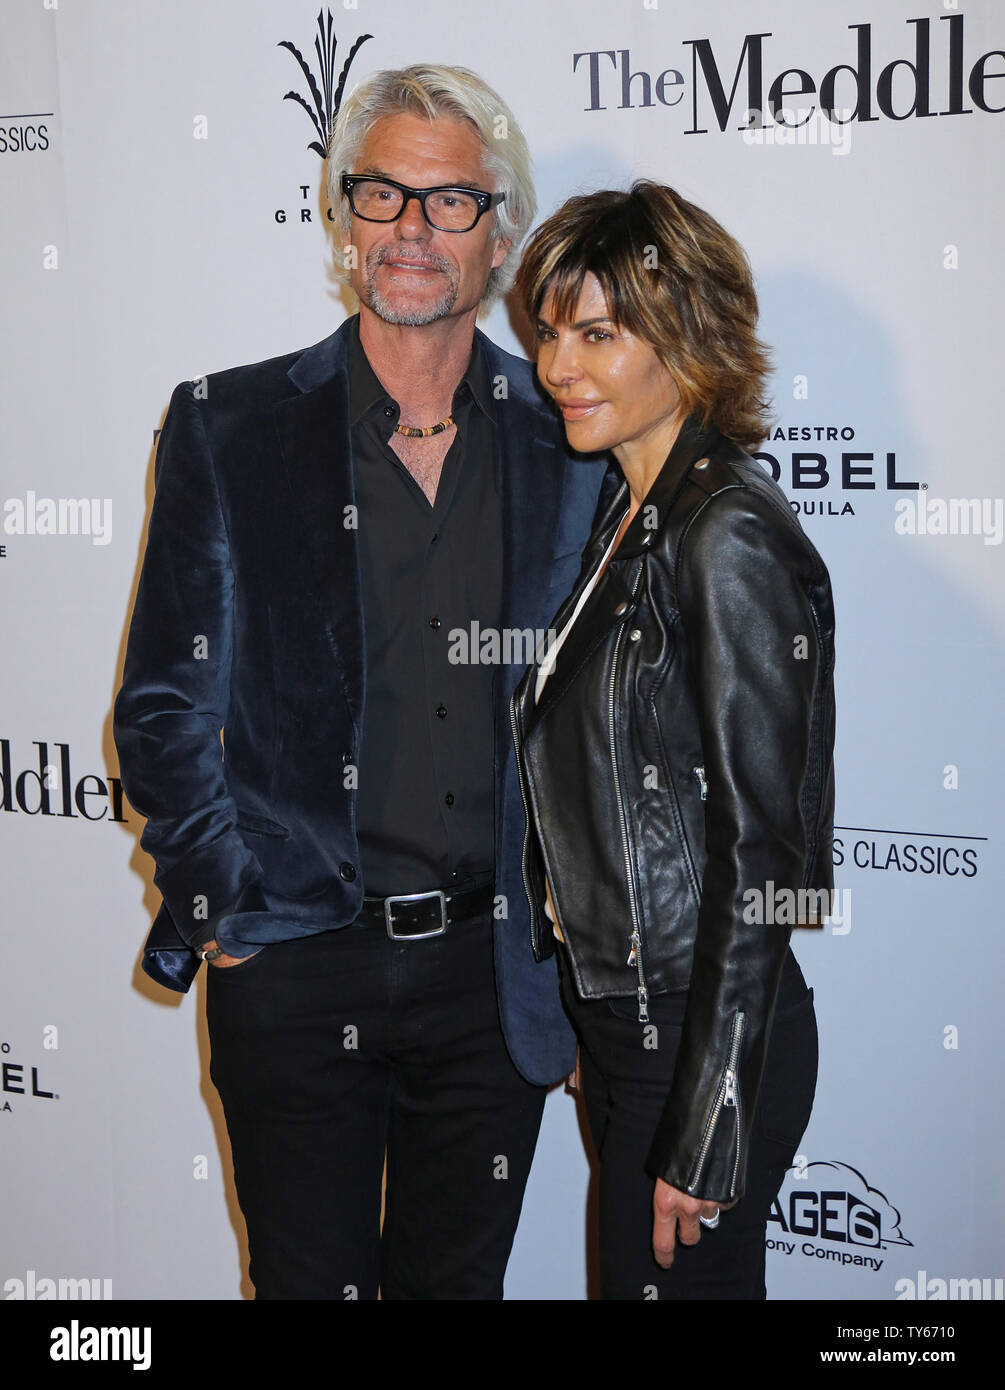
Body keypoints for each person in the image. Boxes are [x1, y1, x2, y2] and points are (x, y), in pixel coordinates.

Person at [112, 64, 607, 1300]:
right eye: (381, 193)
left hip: (491, 980)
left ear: (499, 236)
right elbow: (164, 707)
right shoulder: (230, 426)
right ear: (341, 217)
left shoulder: (568, 445)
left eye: (449, 203)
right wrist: (230, 908)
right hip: (295, 962)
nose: (410, 229)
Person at [511, 182, 836, 1300]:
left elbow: (767, 857)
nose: (560, 367)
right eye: (551, 333)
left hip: (701, 1042)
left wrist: (707, 1118)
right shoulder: (630, 511)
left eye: (598, 333)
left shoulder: (724, 530)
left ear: (688, 337)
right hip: (636, 1026)